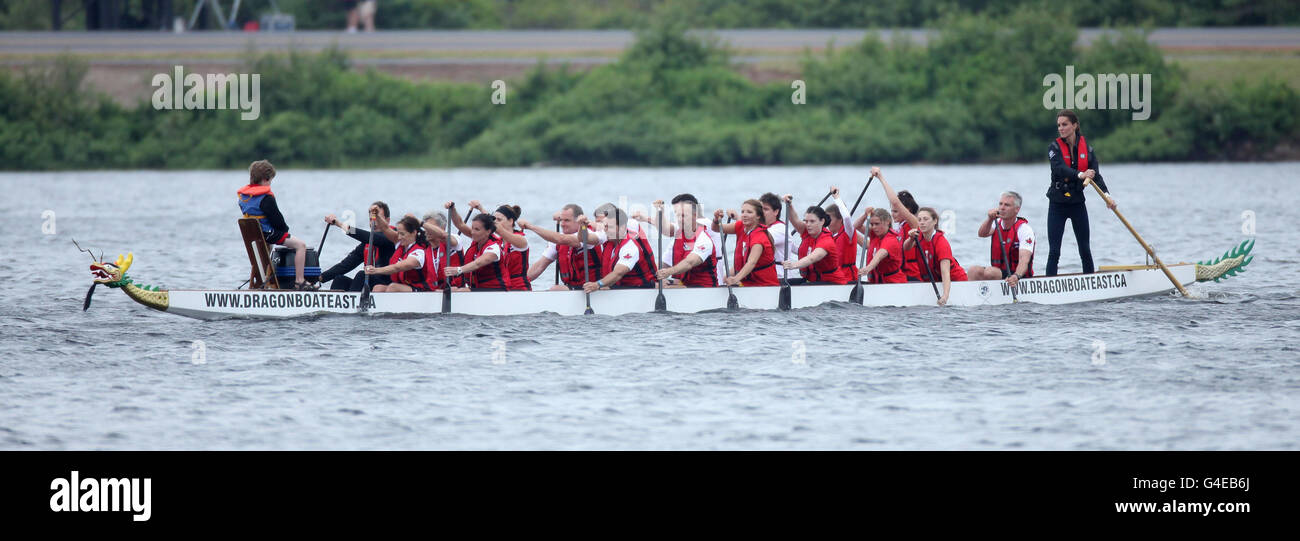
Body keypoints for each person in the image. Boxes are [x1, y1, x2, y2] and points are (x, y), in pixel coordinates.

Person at [1047, 109, 1117, 275]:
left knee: (1085, 249)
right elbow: (1060, 169)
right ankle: (1050, 286)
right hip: (1057, 204)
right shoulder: (1054, 148)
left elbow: (1096, 176)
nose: (1061, 128)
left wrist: (1107, 197)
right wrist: (1081, 174)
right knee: (1054, 251)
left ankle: (1090, 281)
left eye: (1065, 124)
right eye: (1059, 125)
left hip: (1077, 203)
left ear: (1075, 125)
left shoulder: (1088, 150)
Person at [237, 159, 314, 290]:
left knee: (267, 252)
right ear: (265, 179)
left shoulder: (244, 198)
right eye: (271, 180)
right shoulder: (266, 198)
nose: (270, 183)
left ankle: (263, 283)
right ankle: (299, 281)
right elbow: (277, 221)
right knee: (301, 245)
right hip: (268, 235)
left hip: (255, 235)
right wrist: (285, 231)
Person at [854, 168, 922, 281]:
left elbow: (895, 201)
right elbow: (858, 232)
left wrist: (880, 177)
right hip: (900, 274)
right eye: (892, 211)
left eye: (896, 211)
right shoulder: (897, 229)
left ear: (907, 210)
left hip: (912, 278)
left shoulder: (914, 223)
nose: (893, 214)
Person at [519, 204, 606, 290]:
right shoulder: (557, 243)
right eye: (561, 220)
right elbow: (539, 266)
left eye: (567, 220)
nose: (562, 224)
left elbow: (561, 239)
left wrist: (530, 226)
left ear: (578, 221)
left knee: (555, 289)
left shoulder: (587, 234)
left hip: (592, 287)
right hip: (572, 287)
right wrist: (520, 283)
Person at [319, 201, 396, 291]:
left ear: (387, 221)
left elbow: (369, 237)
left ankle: (355, 304)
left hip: (388, 285)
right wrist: (319, 278)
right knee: (340, 280)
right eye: (371, 219)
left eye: (377, 219)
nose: (373, 223)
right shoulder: (366, 244)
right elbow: (345, 265)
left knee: (362, 275)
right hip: (372, 283)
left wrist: (339, 224)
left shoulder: (392, 238)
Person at [968, 191, 1035, 289]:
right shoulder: (996, 223)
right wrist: (990, 219)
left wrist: (1016, 276)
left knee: (990, 272)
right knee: (973, 270)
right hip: (1000, 272)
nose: (1002, 208)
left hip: (1019, 275)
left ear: (1017, 209)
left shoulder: (1024, 229)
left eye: (1007, 205)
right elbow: (982, 234)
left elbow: (1024, 260)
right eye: (1000, 204)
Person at [582, 208, 658, 292]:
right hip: (623, 289)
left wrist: (597, 284)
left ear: (622, 227)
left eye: (609, 227)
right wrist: (583, 227)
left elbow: (618, 273)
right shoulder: (613, 239)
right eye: (605, 226)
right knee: (605, 287)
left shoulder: (630, 246)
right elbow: (584, 239)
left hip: (641, 290)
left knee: (604, 287)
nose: (605, 230)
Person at [903, 207, 968, 305]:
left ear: (935, 221)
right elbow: (906, 248)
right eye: (919, 220)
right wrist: (911, 238)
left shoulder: (941, 243)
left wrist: (945, 296)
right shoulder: (918, 237)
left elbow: (945, 272)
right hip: (934, 282)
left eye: (926, 219)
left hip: (956, 282)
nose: (922, 223)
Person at [462, 201, 531, 291]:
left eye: (499, 220)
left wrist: (483, 212)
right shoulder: (496, 241)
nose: (496, 222)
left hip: (519, 289)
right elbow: (492, 226)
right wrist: (480, 208)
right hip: (503, 288)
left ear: (510, 221)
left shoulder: (520, 240)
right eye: (495, 220)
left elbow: (495, 227)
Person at [780, 195, 848, 285]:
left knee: (803, 286)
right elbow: (794, 220)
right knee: (781, 283)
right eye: (806, 221)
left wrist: (793, 265)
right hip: (813, 281)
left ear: (822, 221)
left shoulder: (826, 241)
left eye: (812, 221)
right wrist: (789, 205)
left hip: (833, 283)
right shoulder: (807, 232)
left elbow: (812, 258)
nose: (808, 224)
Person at [443, 203, 509, 291]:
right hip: (480, 289)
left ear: (488, 231)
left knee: (462, 291)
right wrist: (453, 209)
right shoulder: (478, 239)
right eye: (472, 228)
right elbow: (460, 224)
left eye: (477, 229)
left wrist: (459, 270)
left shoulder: (494, 248)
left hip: (497, 290)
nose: (472, 232)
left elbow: (478, 263)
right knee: (453, 290)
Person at [654, 196, 716, 287]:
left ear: (695, 216)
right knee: (653, 283)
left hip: (703, 288)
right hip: (684, 285)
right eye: (678, 215)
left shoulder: (704, 239)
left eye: (683, 216)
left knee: (665, 287)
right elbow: (664, 229)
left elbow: (689, 263)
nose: (679, 219)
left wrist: (668, 272)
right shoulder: (679, 234)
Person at [714, 199, 778, 287]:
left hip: (765, 286)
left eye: (749, 212)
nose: (744, 215)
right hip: (748, 284)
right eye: (742, 212)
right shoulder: (741, 226)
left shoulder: (760, 238)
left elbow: (751, 262)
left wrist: (735, 279)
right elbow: (717, 229)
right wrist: (716, 219)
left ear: (758, 216)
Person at [365, 216, 436, 292]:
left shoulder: (419, 252)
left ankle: (389, 304)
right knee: (378, 288)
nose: (399, 237)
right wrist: (376, 214)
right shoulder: (401, 245)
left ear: (414, 233)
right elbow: (385, 228)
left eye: (402, 234)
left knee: (393, 287)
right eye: (398, 233)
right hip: (406, 286)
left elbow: (398, 267)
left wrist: (375, 270)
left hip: (423, 289)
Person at [858, 208, 907, 284]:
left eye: (877, 224)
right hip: (879, 281)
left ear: (887, 222)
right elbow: (857, 226)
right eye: (872, 224)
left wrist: (868, 268)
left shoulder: (891, 240)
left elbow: (879, 256)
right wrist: (865, 215)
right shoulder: (875, 234)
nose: (874, 227)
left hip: (894, 283)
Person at [759, 192, 800, 278]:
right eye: (760, 209)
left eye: (765, 209)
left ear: (776, 212)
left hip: (780, 277)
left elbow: (759, 240)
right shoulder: (766, 228)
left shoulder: (780, 229)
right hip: (767, 275)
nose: (761, 212)